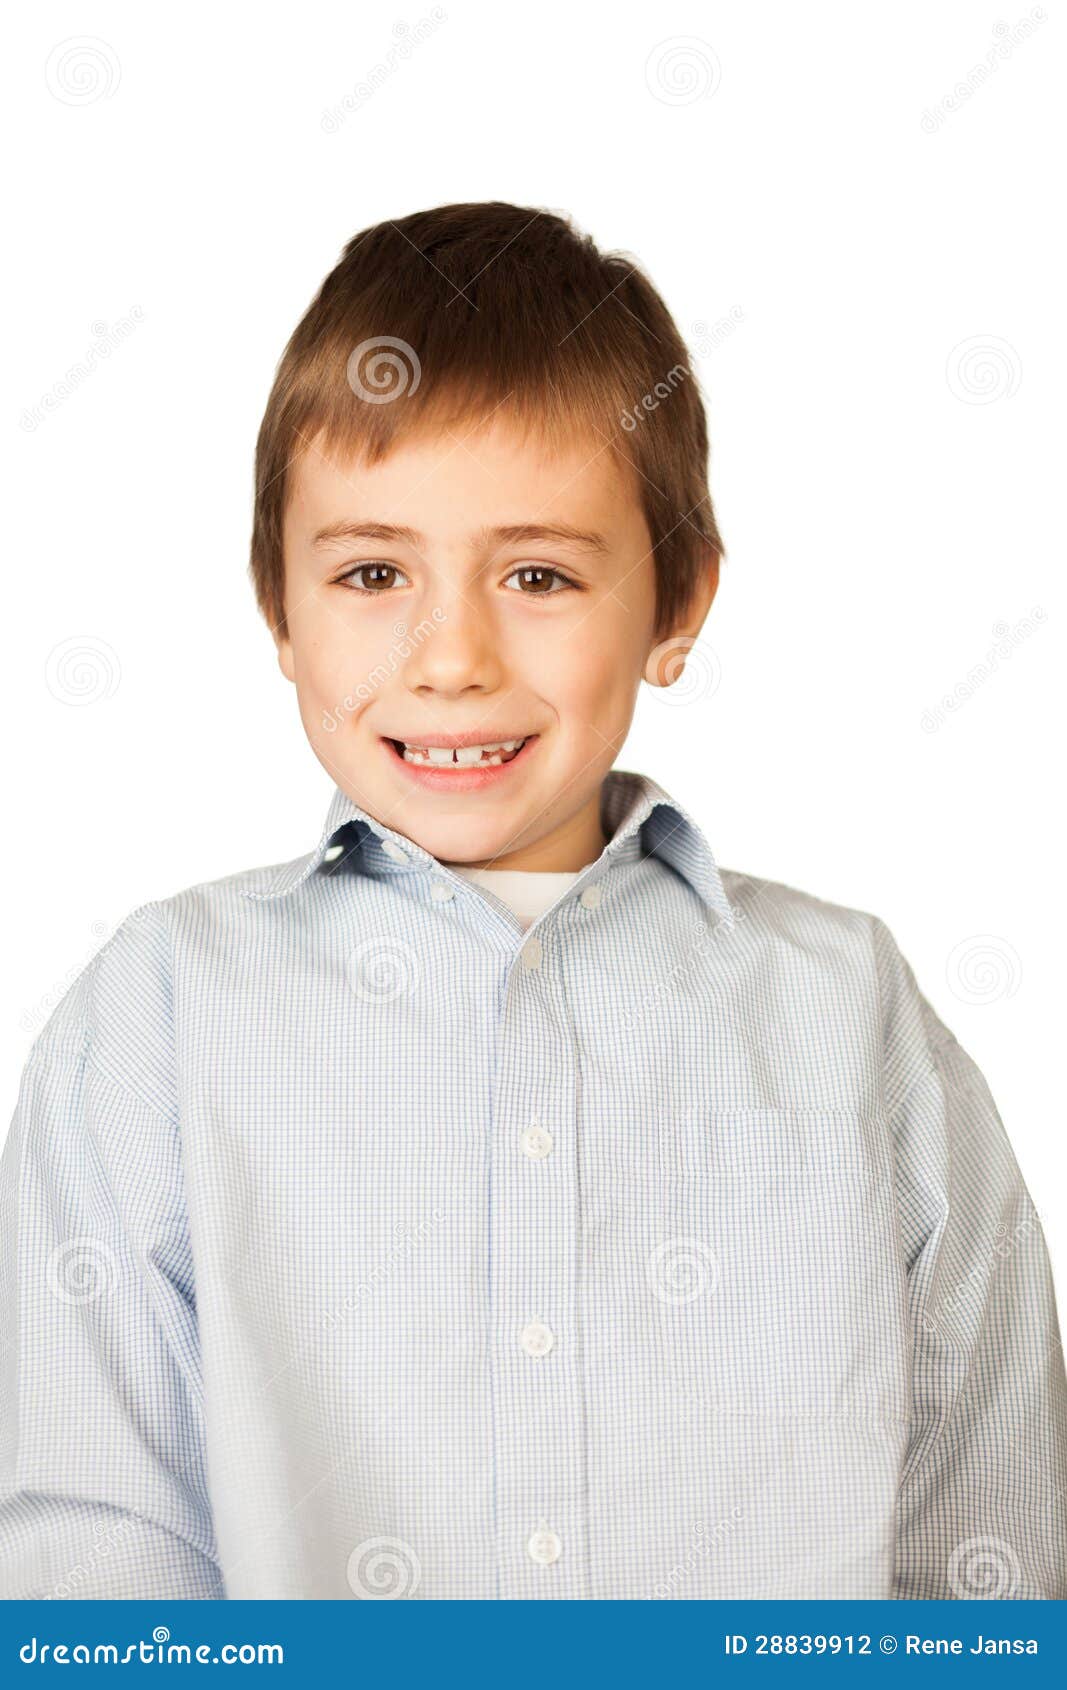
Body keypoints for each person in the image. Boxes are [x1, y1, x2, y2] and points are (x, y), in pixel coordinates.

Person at [2, 202, 1064, 1600]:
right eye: (373, 572)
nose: (452, 657)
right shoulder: (158, 1012)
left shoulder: (846, 1006)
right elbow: (96, 1541)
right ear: (277, 603)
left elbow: (984, 1519)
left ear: (676, 602)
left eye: (540, 575)